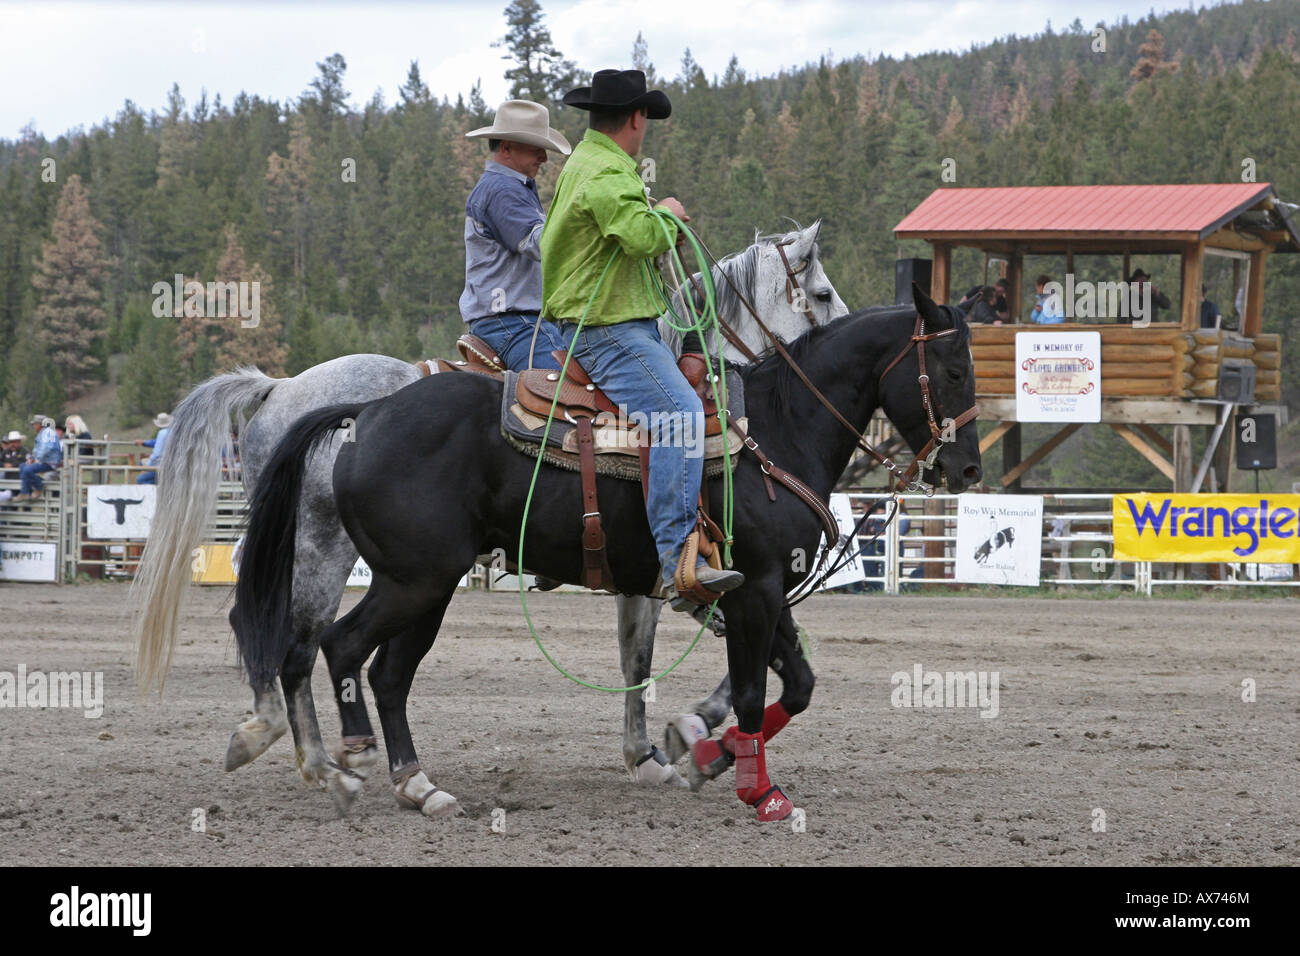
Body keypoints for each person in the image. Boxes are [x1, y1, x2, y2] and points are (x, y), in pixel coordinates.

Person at [539, 68, 743, 609]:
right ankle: (681, 562)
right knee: (678, 410)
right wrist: (668, 215)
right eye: (646, 118)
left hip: (608, 323)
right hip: (608, 331)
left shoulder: (582, 164)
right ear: (637, 118)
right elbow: (642, 236)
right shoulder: (608, 171)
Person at [460, 100, 572, 371]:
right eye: (536, 149)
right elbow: (542, 244)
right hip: (513, 324)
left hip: (509, 322)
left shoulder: (511, 187)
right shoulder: (503, 190)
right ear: (507, 148)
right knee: (566, 394)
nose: (544, 158)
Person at [11, 415, 62, 501]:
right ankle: (26, 492)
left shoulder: (48, 433)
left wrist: (36, 459)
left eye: (35, 424)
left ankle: (38, 487)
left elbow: (46, 448)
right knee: (22, 467)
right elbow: (37, 450)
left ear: (40, 424)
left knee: (27, 470)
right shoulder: (42, 434)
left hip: (50, 462)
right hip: (44, 461)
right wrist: (31, 458)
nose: (34, 426)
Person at [134, 412, 172, 484]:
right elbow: (156, 442)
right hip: (171, 463)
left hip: (162, 464)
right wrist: (144, 442)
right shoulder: (173, 431)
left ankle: (157, 489)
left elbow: (157, 454)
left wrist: (147, 467)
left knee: (140, 480)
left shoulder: (162, 433)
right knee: (141, 463)